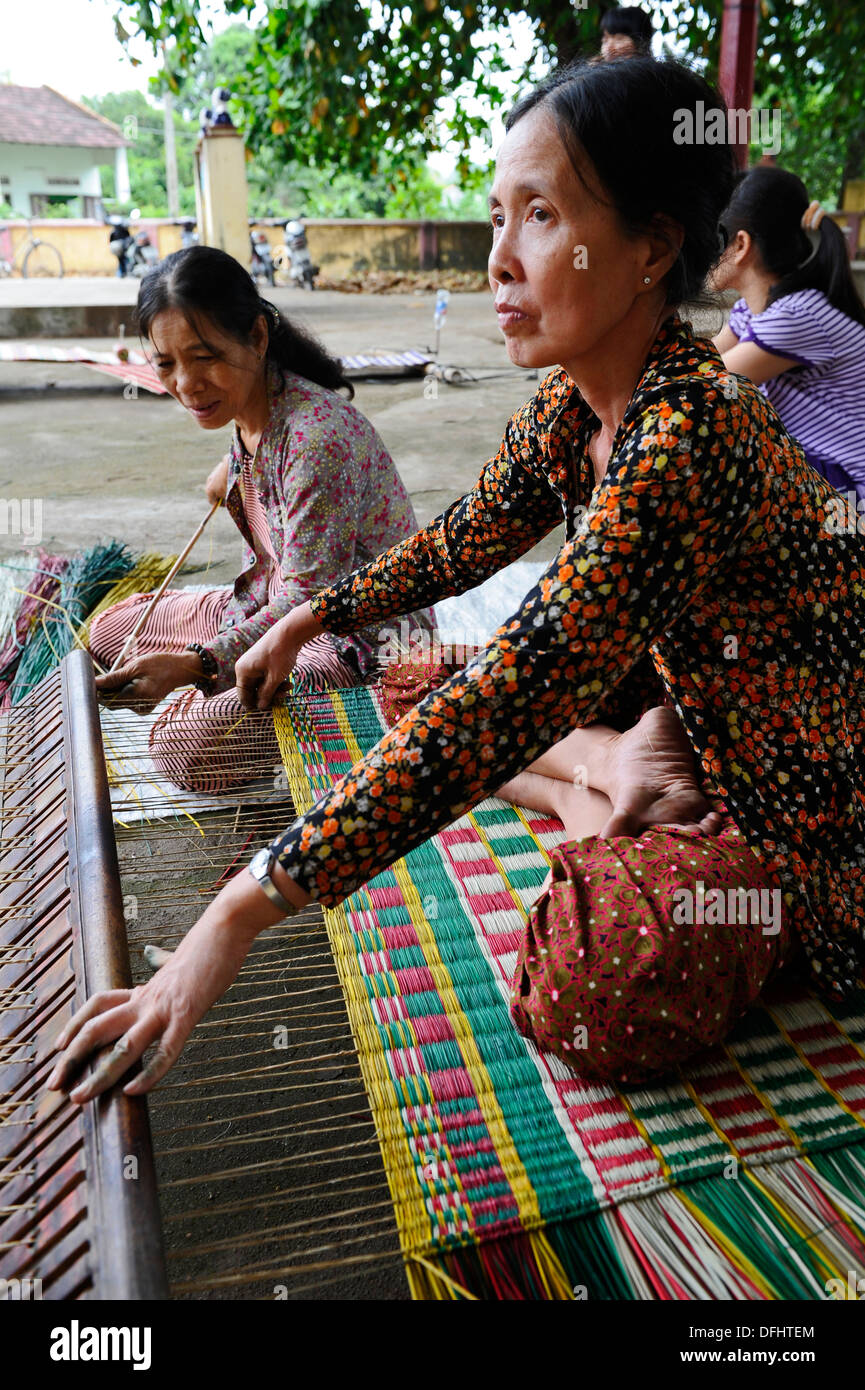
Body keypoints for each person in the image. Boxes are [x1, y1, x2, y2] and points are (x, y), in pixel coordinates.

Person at [49, 58, 864, 1106]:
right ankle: (615, 765)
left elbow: (517, 690)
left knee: (583, 979)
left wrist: (231, 919)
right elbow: (455, 548)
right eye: (495, 217)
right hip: (686, 698)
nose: (499, 261)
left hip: (792, 798)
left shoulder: (688, 436)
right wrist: (306, 615)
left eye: (538, 216)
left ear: (652, 248)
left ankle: (650, 809)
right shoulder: (576, 411)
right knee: (415, 675)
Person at [90, 245, 431, 793]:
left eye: (205, 357)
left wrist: (198, 663)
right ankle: (210, 687)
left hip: (348, 644)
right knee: (111, 630)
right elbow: (274, 577)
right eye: (167, 364)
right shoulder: (249, 411)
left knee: (181, 747)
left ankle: (323, 725)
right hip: (263, 602)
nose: (187, 384)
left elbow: (307, 606)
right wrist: (232, 468)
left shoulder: (318, 440)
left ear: (257, 337)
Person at [711, 166, 865, 502]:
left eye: (712, 238)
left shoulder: (796, 316)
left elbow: (702, 386)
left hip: (851, 495)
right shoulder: (756, 312)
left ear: (740, 244)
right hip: (823, 475)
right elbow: (692, 364)